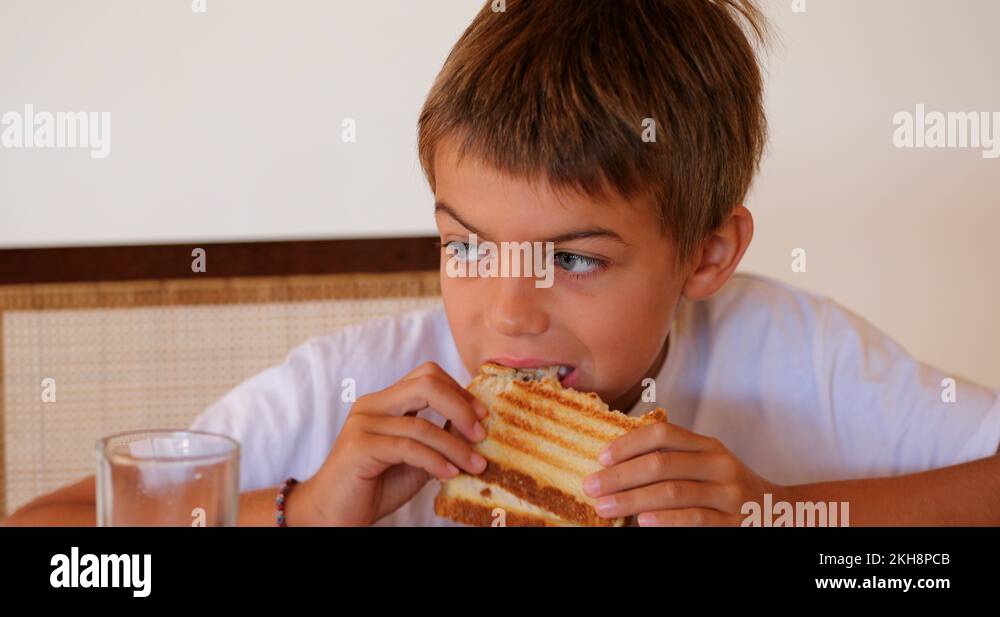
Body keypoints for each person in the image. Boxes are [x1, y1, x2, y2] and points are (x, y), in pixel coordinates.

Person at [6, 0, 998, 527]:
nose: (506, 314)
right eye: (467, 245)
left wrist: (778, 516)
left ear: (707, 254)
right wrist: (302, 512)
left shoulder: (799, 357)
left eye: (572, 258)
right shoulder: (344, 395)